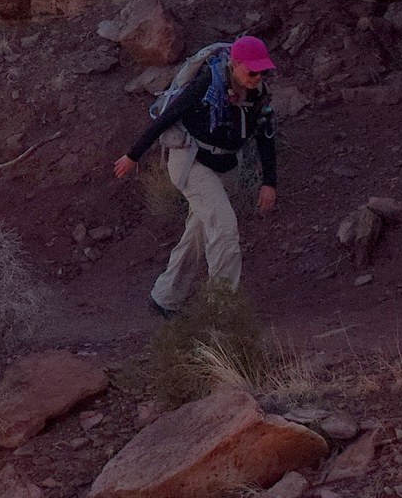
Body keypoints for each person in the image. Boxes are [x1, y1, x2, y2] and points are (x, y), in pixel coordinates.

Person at [113, 34, 279, 318]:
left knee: (199, 232)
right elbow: (167, 117)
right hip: (190, 161)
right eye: (252, 71)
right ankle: (222, 315)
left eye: (262, 71)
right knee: (225, 229)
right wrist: (133, 155)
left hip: (224, 166)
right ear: (235, 64)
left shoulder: (258, 95)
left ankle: (165, 298)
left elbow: (266, 137)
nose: (257, 76)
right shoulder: (207, 83)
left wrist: (269, 182)